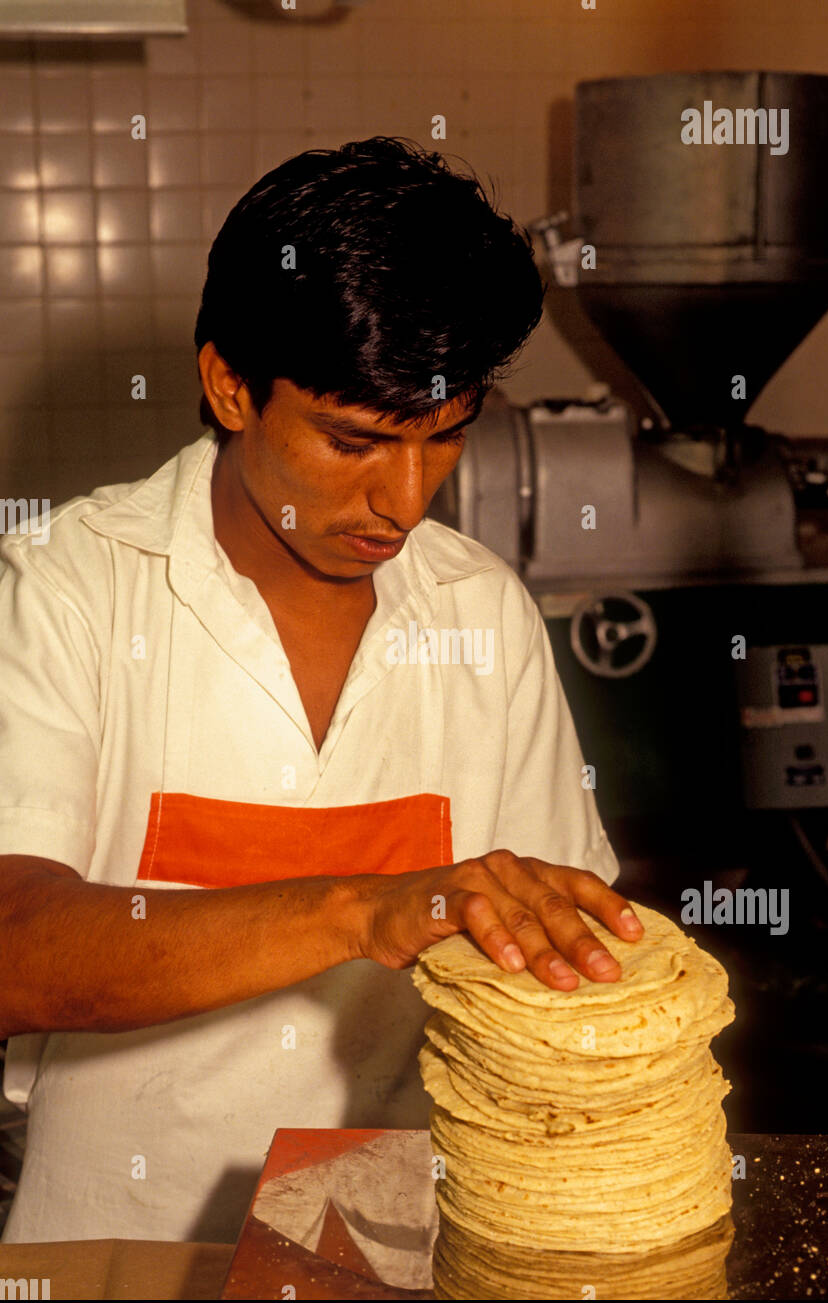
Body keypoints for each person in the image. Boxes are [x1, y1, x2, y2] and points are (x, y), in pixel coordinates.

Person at [0, 137, 641, 1244]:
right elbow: (15, 947)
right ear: (229, 386)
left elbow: (557, 958)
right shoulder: (68, 589)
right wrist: (365, 906)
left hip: (390, 1227)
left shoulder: (477, 611)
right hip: (116, 1233)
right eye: (354, 441)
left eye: (445, 439)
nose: (401, 502)